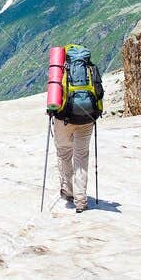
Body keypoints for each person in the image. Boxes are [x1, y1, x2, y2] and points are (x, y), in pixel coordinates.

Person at [50, 45, 104, 213]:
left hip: (64, 119)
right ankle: (81, 200)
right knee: (81, 156)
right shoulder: (91, 68)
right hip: (87, 119)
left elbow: (54, 94)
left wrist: (51, 111)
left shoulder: (61, 69)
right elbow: (99, 92)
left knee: (64, 152)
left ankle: (68, 191)